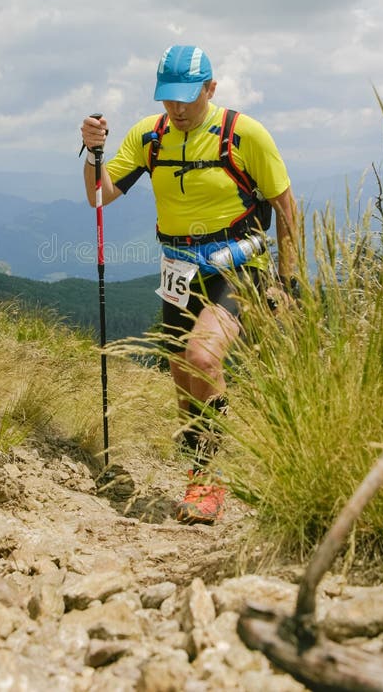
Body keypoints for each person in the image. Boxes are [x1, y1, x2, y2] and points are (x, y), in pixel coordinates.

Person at [80, 44, 298, 525]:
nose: (176, 108)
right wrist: (94, 152)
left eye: (186, 97)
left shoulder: (244, 134)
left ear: (210, 89)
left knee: (202, 357)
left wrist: (288, 282)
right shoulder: (150, 135)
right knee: (182, 372)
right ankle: (199, 470)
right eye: (168, 98)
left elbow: (285, 208)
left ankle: (211, 480)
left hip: (239, 265)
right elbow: (99, 196)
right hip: (177, 269)